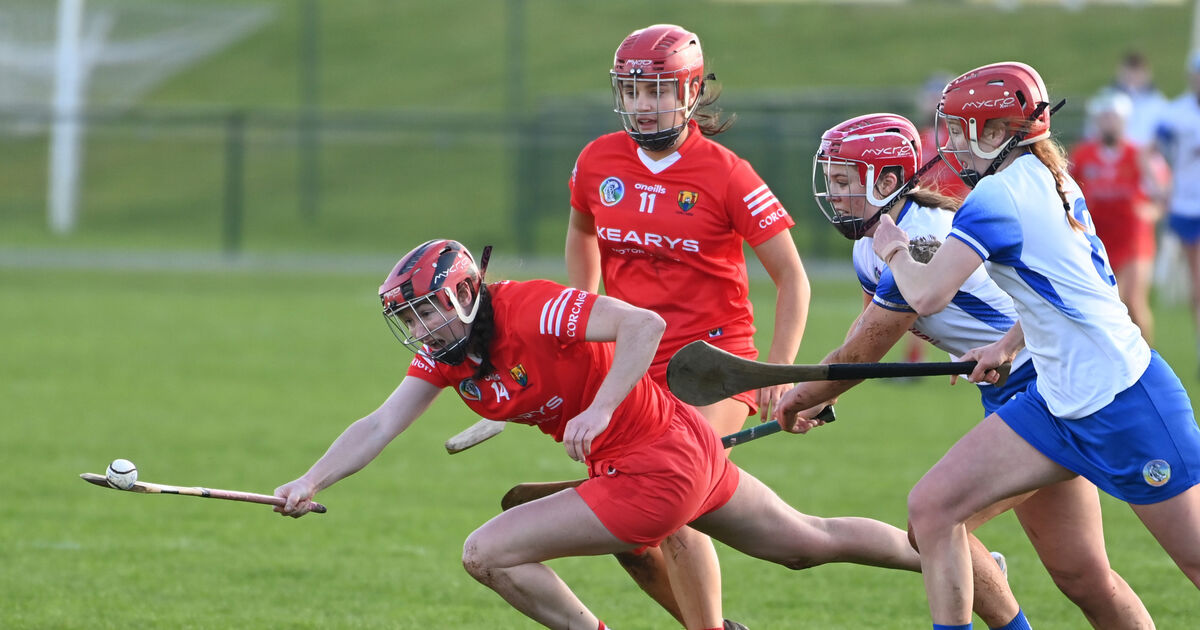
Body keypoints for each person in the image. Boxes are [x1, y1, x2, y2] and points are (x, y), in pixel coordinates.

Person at [273, 239, 930, 630]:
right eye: (410, 320)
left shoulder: (531, 306)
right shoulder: (449, 356)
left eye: (426, 313)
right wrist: (310, 480)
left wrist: (599, 409)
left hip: (654, 469)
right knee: (806, 542)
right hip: (678, 451)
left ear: (465, 294)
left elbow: (643, 325)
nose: (420, 331)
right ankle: (953, 558)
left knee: (486, 553)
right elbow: (380, 422)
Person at [776, 112, 1152, 628]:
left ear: (886, 180)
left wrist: (798, 397)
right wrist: (827, 393)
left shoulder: (918, 240)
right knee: (1083, 575)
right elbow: (863, 334)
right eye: (832, 180)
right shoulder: (874, 241)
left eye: (845, 181)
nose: (834, 194)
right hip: (1012, 389)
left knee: (935, 519)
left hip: (1040, 384)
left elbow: (860, 356)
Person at [867, 61, 1200, 630]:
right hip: (1056, 401)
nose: (952, 144)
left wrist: (894, 247)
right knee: (933, 509)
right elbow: (1061, 285)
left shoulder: (998, 195)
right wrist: (1005, 343)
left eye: (962, 130)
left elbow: (926, 295)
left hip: (1125, 399)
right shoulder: (1050, 174)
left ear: (999, 132)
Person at [508, 24, 811, 628]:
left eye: (658, 91)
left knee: (673, 500)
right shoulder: (597, 161)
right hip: (632, 367)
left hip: (713, 368)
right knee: (632, 531)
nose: (643, 105)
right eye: (632, 90)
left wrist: (777, 371)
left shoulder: (728, 173)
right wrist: (581, 318)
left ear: (691, 91)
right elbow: (582, 232)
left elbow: (793, 280)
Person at [1069, 89, 1162, 344]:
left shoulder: (1138, 154)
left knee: (1133, 300)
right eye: (1105, 117)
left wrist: (1153, 211)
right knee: (1111, 303)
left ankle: (1148, 357)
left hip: (1133, 238)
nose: (1109, 123)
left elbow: (1161, 191)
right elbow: (1064, 188)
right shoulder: (1082, 155)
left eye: (1115, 117)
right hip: (1099, 239)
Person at [1152, 50, 1200, 369]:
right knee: (1196, 282)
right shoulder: (1177, 113)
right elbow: (1152, 151)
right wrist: (1161, 185)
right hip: (1186, 206)